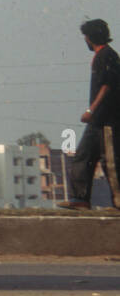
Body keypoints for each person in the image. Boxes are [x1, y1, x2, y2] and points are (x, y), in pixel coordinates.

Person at [60, 19, 120, 209]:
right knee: (82, 158)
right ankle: (80, 200)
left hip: (107, 121)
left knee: (110, 162)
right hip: (96, 122)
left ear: (89, 37)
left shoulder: (108, 56)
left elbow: (107, 85)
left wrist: (90, 110)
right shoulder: (100, 55)